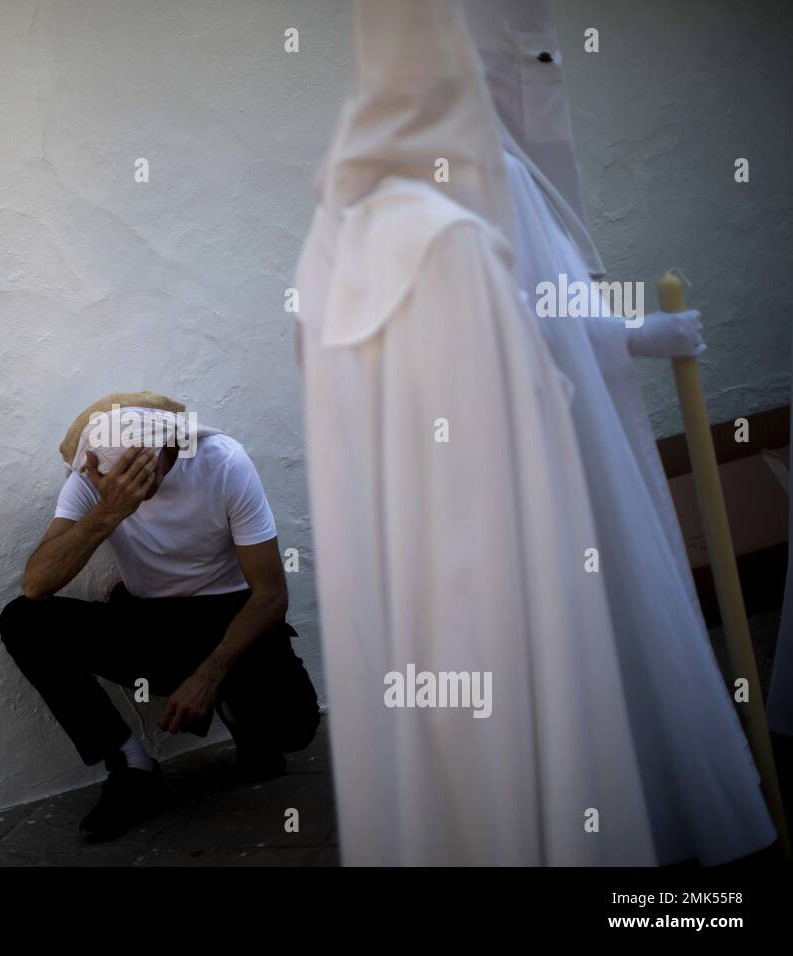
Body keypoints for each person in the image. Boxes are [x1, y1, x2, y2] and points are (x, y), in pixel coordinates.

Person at [293, 0, 654, 865]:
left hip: (395, 587)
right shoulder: (446, 240)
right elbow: (493, 475)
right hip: (486, 581)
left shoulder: (333, 238)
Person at [465, 0, 775, 865]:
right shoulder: (487, 174)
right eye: (532, 62)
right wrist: (643, 335)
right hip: (562, 443)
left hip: (582, 426)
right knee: (607, 603)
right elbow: (533, 321)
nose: (548, 80)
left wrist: (625, 330)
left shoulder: (504, 172)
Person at [0, 394, 319, 841]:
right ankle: (131, 766)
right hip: (150, 619)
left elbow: (270, 595)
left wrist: (206, 678)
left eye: (147, 468)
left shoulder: (223, 461)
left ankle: (238, 710)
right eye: (120, 477)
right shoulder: (93, 480)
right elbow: (36, 584)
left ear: (172, 443)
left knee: (293, 729)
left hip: (230, 614)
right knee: (23, 620)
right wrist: (109, 510)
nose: (137, 486)